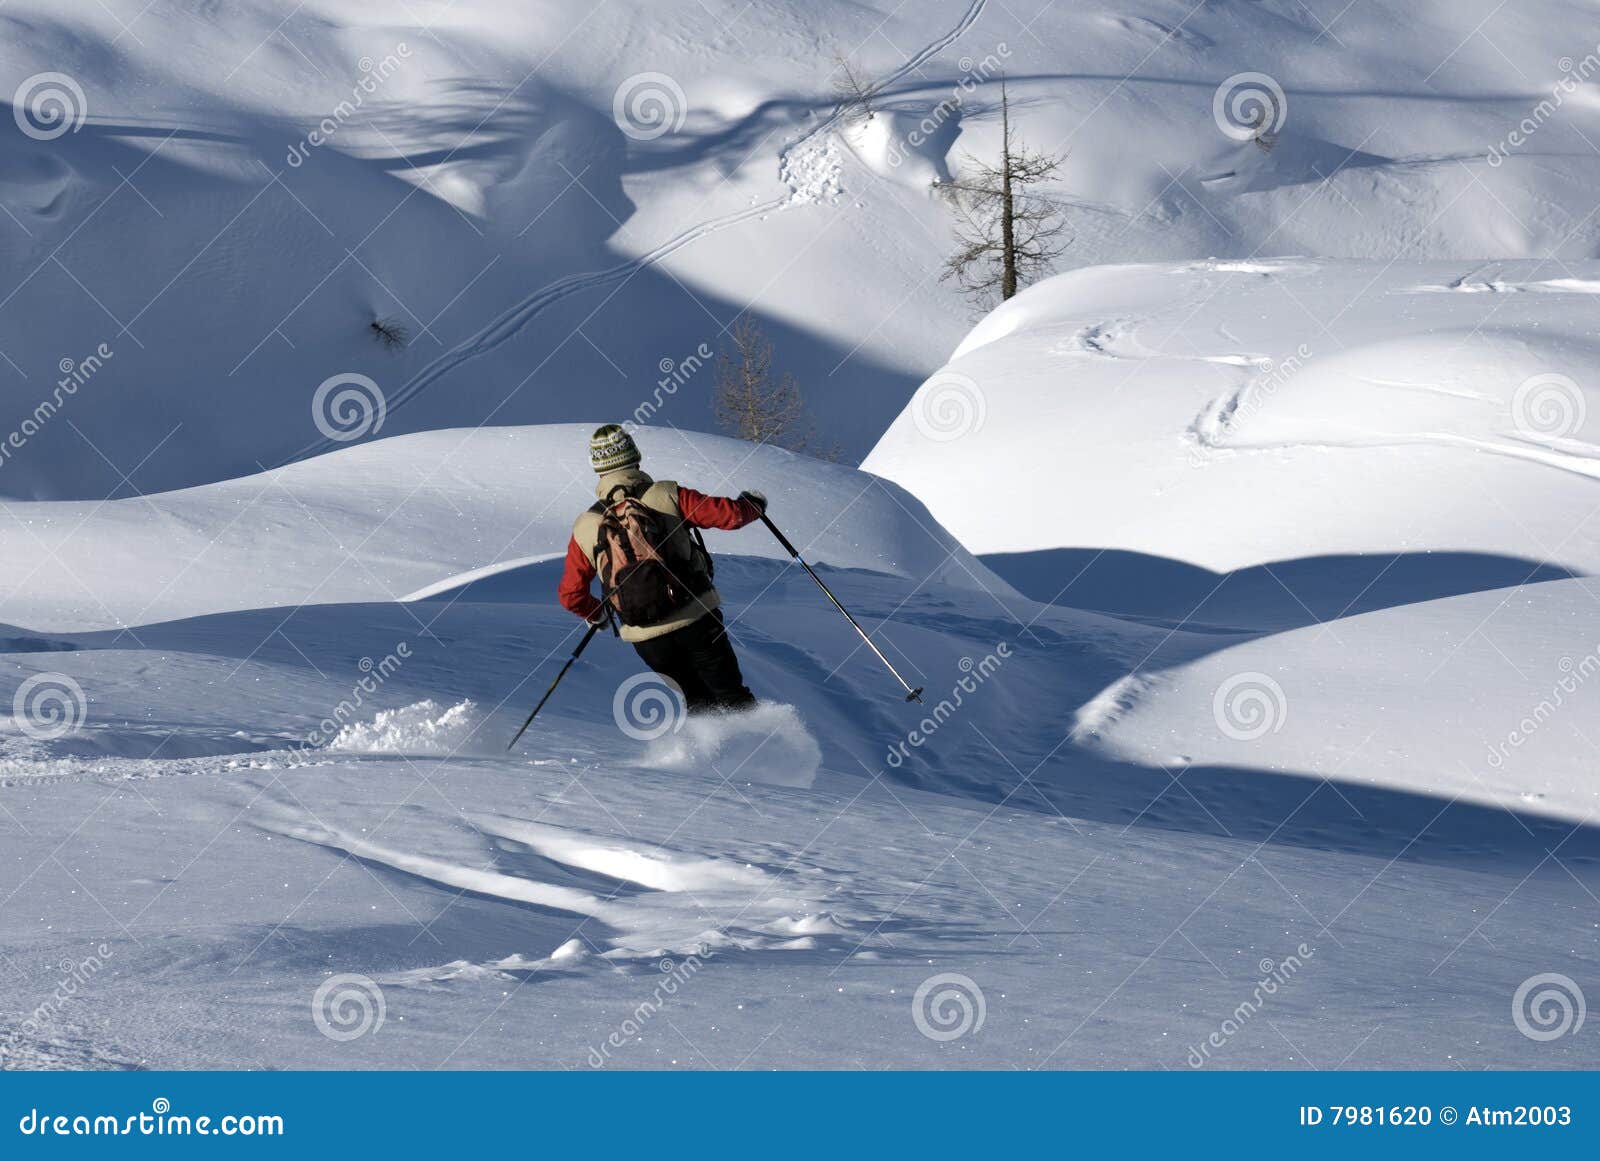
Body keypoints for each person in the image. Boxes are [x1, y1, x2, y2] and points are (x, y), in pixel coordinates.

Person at [558, 424, 767, 714]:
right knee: (733, 697)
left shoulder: (586, 525)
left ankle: (706, 755)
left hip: (647, 639)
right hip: (696, 619)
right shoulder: (666, 494)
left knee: (697, 703)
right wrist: (754, 504)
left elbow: (570, 595)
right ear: (635, 458)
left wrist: (598, 614)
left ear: (598, 470)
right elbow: (730, 516)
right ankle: (766, 750)